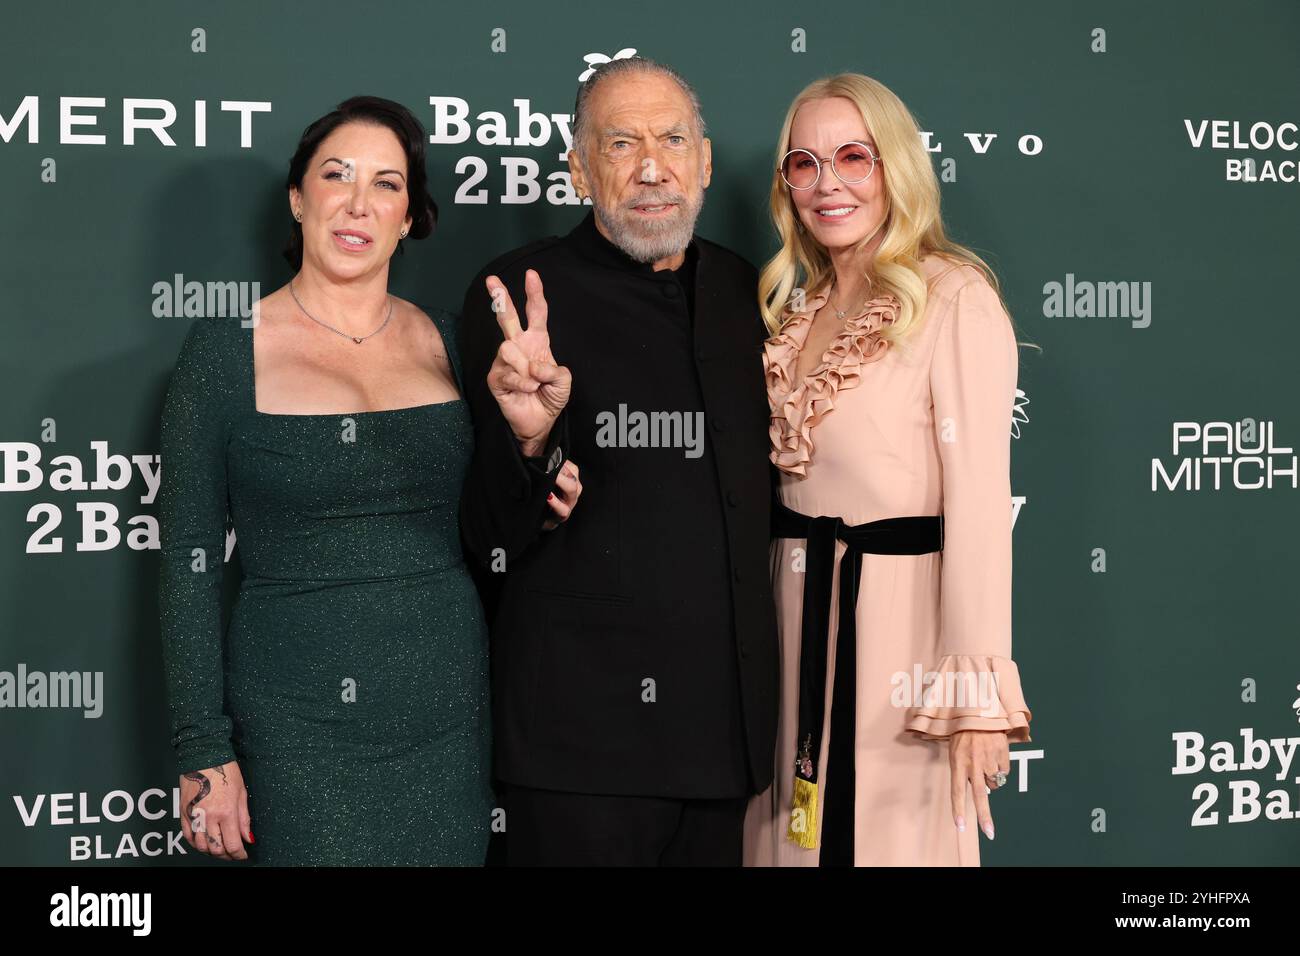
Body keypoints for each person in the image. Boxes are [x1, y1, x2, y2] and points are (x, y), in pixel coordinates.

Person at [156, 95, 579, 865]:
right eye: (336, 175)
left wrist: (534, 445)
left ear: (412, 214)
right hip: (293, 723)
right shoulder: (223, 354)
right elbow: (187, 564)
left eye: (387, 183)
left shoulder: (452, 341)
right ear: (297, 196)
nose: (358, 203)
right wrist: (202, 748)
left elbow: (499, 529)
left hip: (447, 718)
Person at [457, 56, 778, 866]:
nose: (650, 168)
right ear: (577, 171)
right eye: (620, 143)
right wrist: (529, 441)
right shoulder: (515, 295)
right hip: (576, 757)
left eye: (672, 140)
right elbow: (481, 532)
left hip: (727, 748)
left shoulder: (752, 294)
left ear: (704, 162)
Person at [743, 73, 1034, 866]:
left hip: (898, 635)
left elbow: (979, 505)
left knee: (883, 841)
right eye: (803, 162)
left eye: (852, 157)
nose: (826, 183)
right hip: (789, 626)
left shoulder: (953, 298)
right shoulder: (795, 307)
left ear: (895, 166)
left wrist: (974, 701)